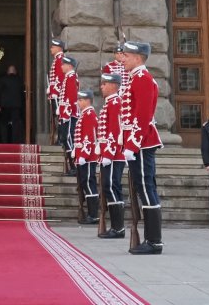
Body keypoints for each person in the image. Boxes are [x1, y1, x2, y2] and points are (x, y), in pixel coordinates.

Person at [118, 40, 164, 255]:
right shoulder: (134, 78)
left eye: (126, 55)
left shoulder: (143, 78)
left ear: (137, 58)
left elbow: (143, 115)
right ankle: (150, 239)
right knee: (142, 188)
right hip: (137, 142)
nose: (123, 58)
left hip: (142, 142)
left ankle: (154, 241)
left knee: (146, 188)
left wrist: (133, 143)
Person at [97, 73, 126, 239]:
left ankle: (118, 227)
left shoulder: (115, 103)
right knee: (109, 187)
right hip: (109, 153)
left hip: (114, 155)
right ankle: (116, 227)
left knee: (112, 187)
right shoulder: (109, 103)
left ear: (114, 85)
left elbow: (115, 132)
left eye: (104, 84)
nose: (101, 86)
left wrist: (108, 153)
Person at [72, 89, 99, 225]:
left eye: (80, 100)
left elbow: (89, 137)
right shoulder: (85, 114)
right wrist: (76, 152)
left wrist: (83, 154)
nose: (78, 102)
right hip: (83, 156)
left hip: (88, 157)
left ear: (88, 100)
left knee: (89, 183)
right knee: (86, 183)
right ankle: (91, 214)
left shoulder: (88, 114)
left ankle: (93, 215)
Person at [58, 56, 79, 176]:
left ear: (69, 65)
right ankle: (72, 165)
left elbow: (72, 97)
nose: (61, 66)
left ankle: (74, 165)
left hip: (69, 114)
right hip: (66, 113)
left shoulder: (71, 77)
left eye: (63, 64)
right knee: (66, 139)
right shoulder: (68, 77)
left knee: (69, 138)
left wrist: (67, 112)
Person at [0, 65, 25, 144]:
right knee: (15, 125)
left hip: (5, 105)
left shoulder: (3, 79)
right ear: (15, 72)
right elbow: (22, 93)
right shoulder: (19, 80)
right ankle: (15, 141)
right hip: (16, 105)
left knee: (4, 124)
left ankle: (4, 141)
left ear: (8, 72)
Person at [46, 38, 65, 142]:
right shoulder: (57, 59)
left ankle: (60, 139)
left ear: (58, 48)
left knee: (59, 118)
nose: (50, 49)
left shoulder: (60, 59)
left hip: (58, 94)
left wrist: (55, 92)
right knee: (57, 118)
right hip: (55, 93)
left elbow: (60, 78)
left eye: (52, 47)